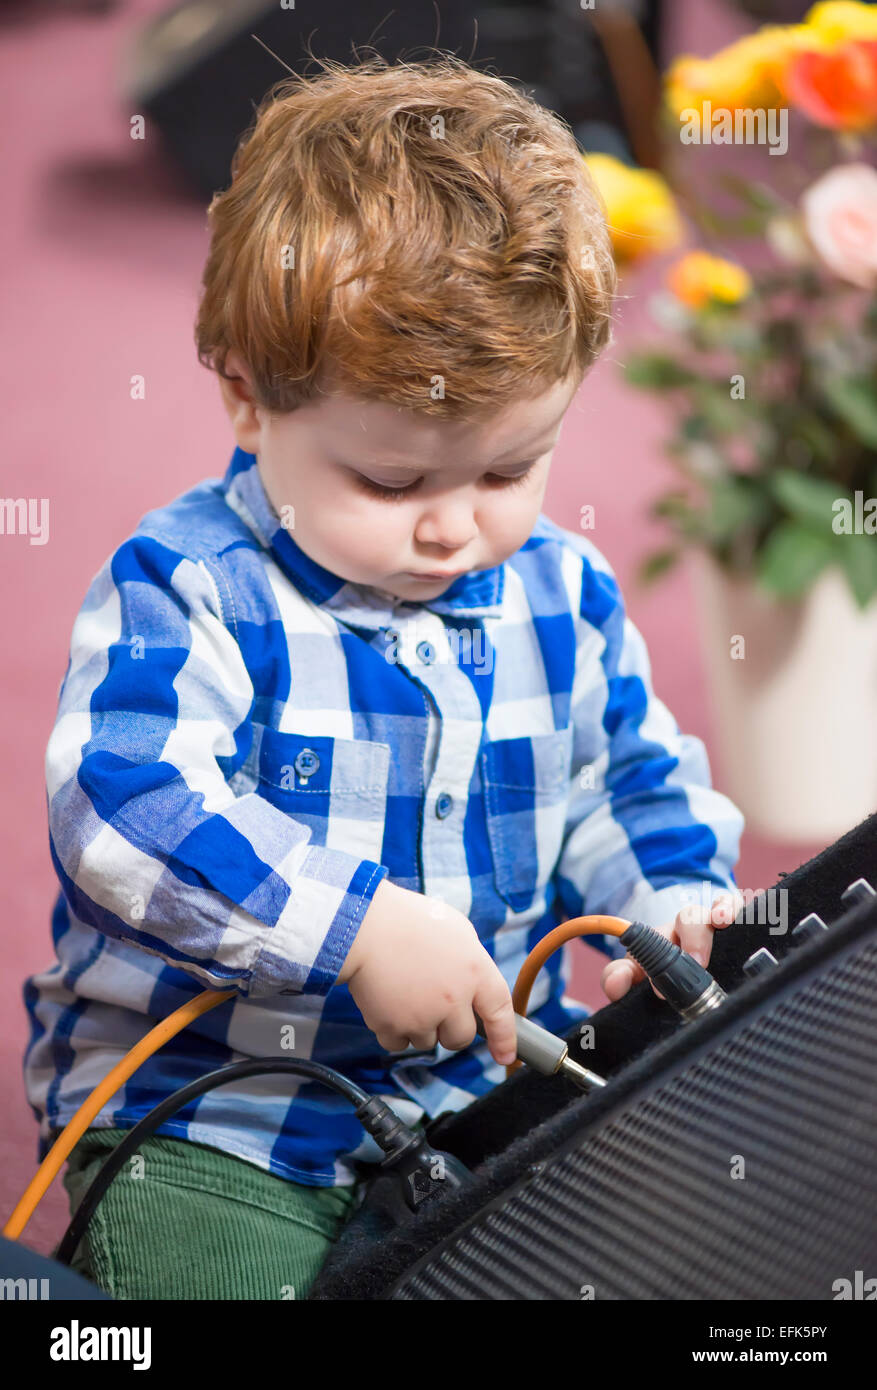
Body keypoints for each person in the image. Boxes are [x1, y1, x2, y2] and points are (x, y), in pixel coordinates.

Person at [23, 52, 744, 1300]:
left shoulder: (561, 592)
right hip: (212, 1128)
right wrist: (350, 928)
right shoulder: (193, 586)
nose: (452, 528)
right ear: (248, 399)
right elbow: (121, 803)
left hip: (474, 1102)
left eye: (509, 470)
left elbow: (623, 779)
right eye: (394, 483)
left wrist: (675, 893)